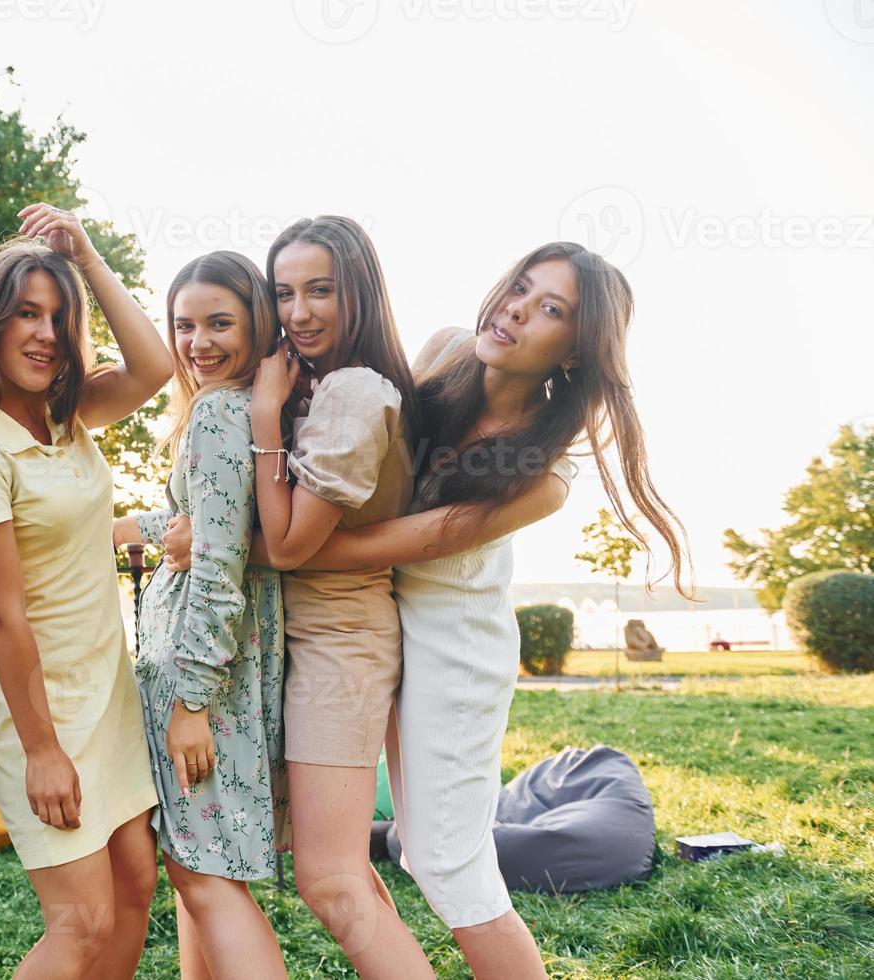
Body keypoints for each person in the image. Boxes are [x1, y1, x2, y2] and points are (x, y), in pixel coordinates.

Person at [168, 241, 694, 979]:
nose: (517, 308)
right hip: (381, 624)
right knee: (379, 861)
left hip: (455, 648)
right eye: (520, 286)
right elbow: (360, 468)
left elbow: (379, 544)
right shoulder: (443, 354)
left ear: (575, 348)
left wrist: (225, 543)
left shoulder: (543, 472)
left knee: (447, 862)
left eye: (551, 310)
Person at [0, 204, 172, 979]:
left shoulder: (66, 416)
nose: (45, 334)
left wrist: (89, 259)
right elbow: (4, 615)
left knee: (134, 889)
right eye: (26, 314)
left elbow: (155, 368)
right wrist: (42, 753)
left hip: (108, 692)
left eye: (60, 319)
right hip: (42, 711)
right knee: (83, 920)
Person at [245, 216, 436, 978]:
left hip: (339, 644)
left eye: (320, 290)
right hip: (292, 638)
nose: (299, 312)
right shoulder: (311, 385)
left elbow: (289, 544)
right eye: (284, 292)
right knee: (338, 879)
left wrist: (264, 421)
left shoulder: (356, 392)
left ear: (358, 290)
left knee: (329, 880)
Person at [112, 251, 289, 979]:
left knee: (206, 879)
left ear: (258, 323)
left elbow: (217, 572)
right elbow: (211, 523)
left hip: (203, 678)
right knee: (197, 868)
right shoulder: (237, 406)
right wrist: (142, 527)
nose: (197, 342)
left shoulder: (219, 412)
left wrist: (191, 703)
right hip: (211, 668)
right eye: (184, 325)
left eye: (220, 323)